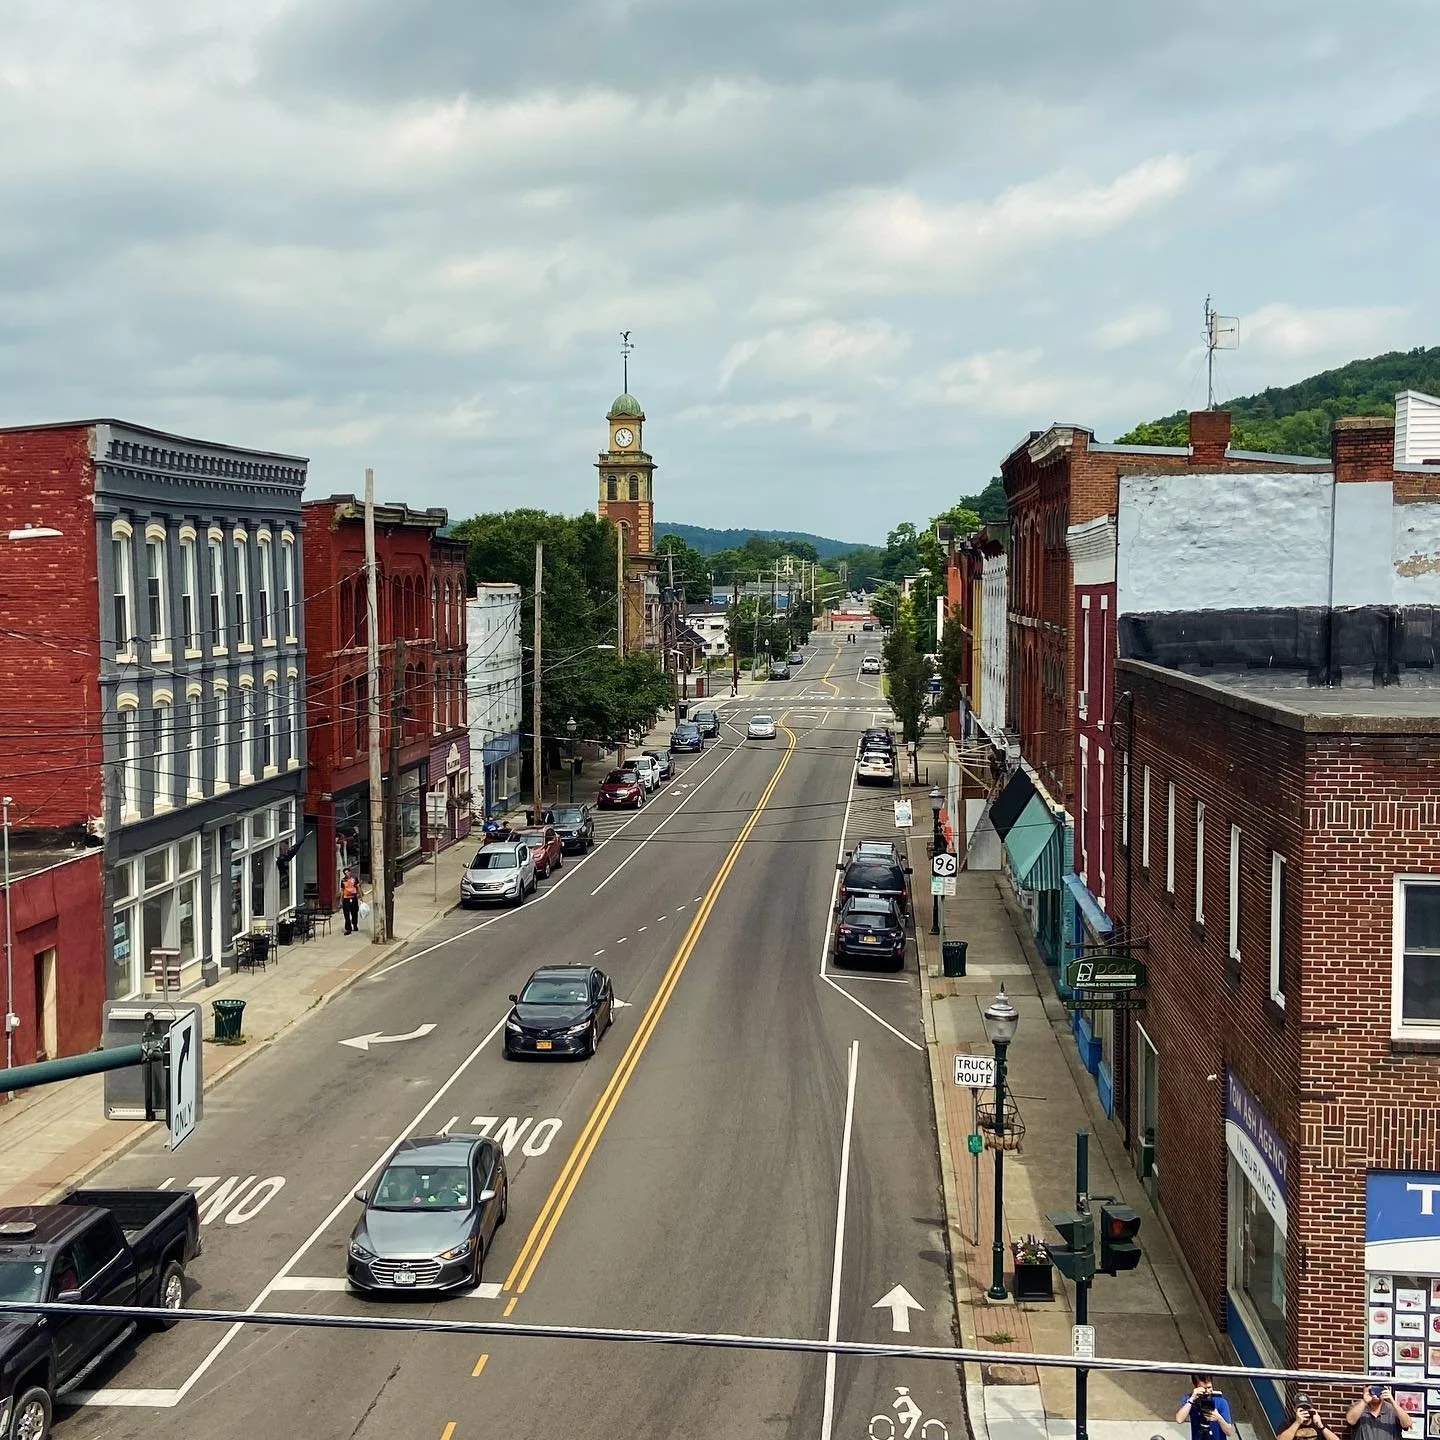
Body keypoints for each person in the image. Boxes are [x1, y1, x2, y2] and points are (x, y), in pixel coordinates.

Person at [1177, 1375, 1234, 1440]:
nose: (1207, 1391)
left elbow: (1229, 1432)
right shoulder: (1190, 1399)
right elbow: (1179, 1419)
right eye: (1203, 1388)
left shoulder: (1221, 1401)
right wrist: (1192, 1399)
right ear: (1196, 1387)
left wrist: (1218, 1418)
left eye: (1209, 1387)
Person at [1347, 1386, 1413, 1440]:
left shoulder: (1393, 1409)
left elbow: (1407, 1424)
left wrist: (1392, 1401)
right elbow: (1350, 1421)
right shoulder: (1357, 1407)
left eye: (1378, 1388)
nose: (1375, 1392)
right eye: (1371, 1388)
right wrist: (1364, 1401)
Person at [340, 868, 360, 934]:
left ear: (350, 872)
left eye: (348, 872)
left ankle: (355, 924)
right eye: (345, 873)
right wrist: (341, 900)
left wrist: (361, 896)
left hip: (354, 898)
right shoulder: (343, 880)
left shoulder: (354, 878)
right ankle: (348, 928)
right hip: (346, 899)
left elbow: (358, 887)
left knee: (354, 912)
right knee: (346, 914)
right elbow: (342, 890)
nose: (347, 874)